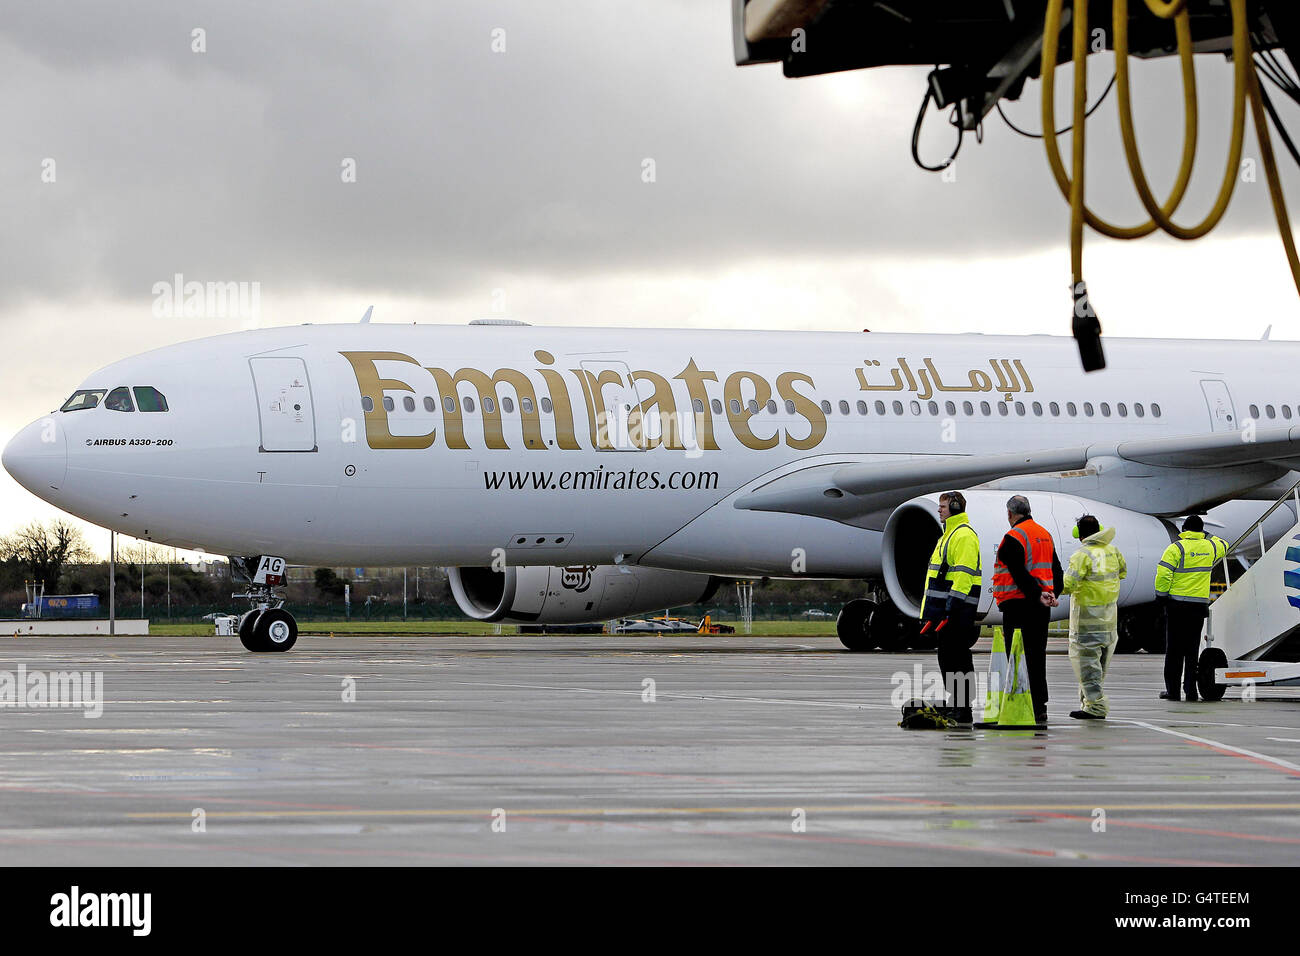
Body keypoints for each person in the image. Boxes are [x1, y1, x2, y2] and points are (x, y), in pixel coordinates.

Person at [991, 495, 1063, 723]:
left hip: (1018, 604)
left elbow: (1018, 573)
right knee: (1037, 655)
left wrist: (1035, 594)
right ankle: (1040, 705)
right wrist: (1052, 594)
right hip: (1042, 606)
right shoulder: (1044, 534)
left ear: (1010, 514)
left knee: (1018, 656)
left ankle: (1020, 703)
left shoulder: (1013, 537)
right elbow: (1057, 571)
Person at [918, 491, 981, 723]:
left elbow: (963, 575)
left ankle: (963, 707)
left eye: (943, 506)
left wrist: (952, 606)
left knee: (958, 659)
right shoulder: (949, 535)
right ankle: (957, 703)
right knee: (948, 658)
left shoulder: (963, 536)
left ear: (955, 507)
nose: (939, 510)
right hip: (946, 610)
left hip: (957, 610)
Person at [1155, 515, 1228, 702]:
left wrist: (1161, 597)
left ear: (1184, 529)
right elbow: (1223, 543)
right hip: (1198, 607)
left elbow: (1163, 574)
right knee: (1192, 650)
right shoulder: (1210, 547)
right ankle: (1191, 690)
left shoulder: (1176, 548)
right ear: (1201, 530)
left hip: (1177, 606)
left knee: (1174, 651)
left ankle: (1173, 691)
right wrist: (1205, 535)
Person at [1061, 515, 1127, 719]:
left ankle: (1095, 707)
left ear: (1078, 533)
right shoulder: (1113, 551)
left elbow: (1068, 585)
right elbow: (1122, 573)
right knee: (1097, 669)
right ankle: (1088, 703)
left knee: (1088, 667)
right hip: (1109, 619)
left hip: (1087, 620)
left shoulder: (1081, 554)